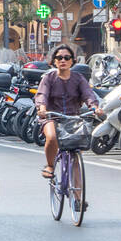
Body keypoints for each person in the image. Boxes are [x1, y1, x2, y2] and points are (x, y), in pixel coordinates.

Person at [36, 44, 103, 179]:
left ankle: (78, 199)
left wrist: (94, 107)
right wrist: (42, 109)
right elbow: (42, 95)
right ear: (54, 61)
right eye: (59, 57)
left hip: (73, 118)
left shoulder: (78, 78)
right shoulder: (48, 78)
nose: (63, 60)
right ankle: (50, 165)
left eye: (67, 57)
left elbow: (88, 94)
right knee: (52, 137)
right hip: (51, 116)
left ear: (72, 61)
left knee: (76, 158)